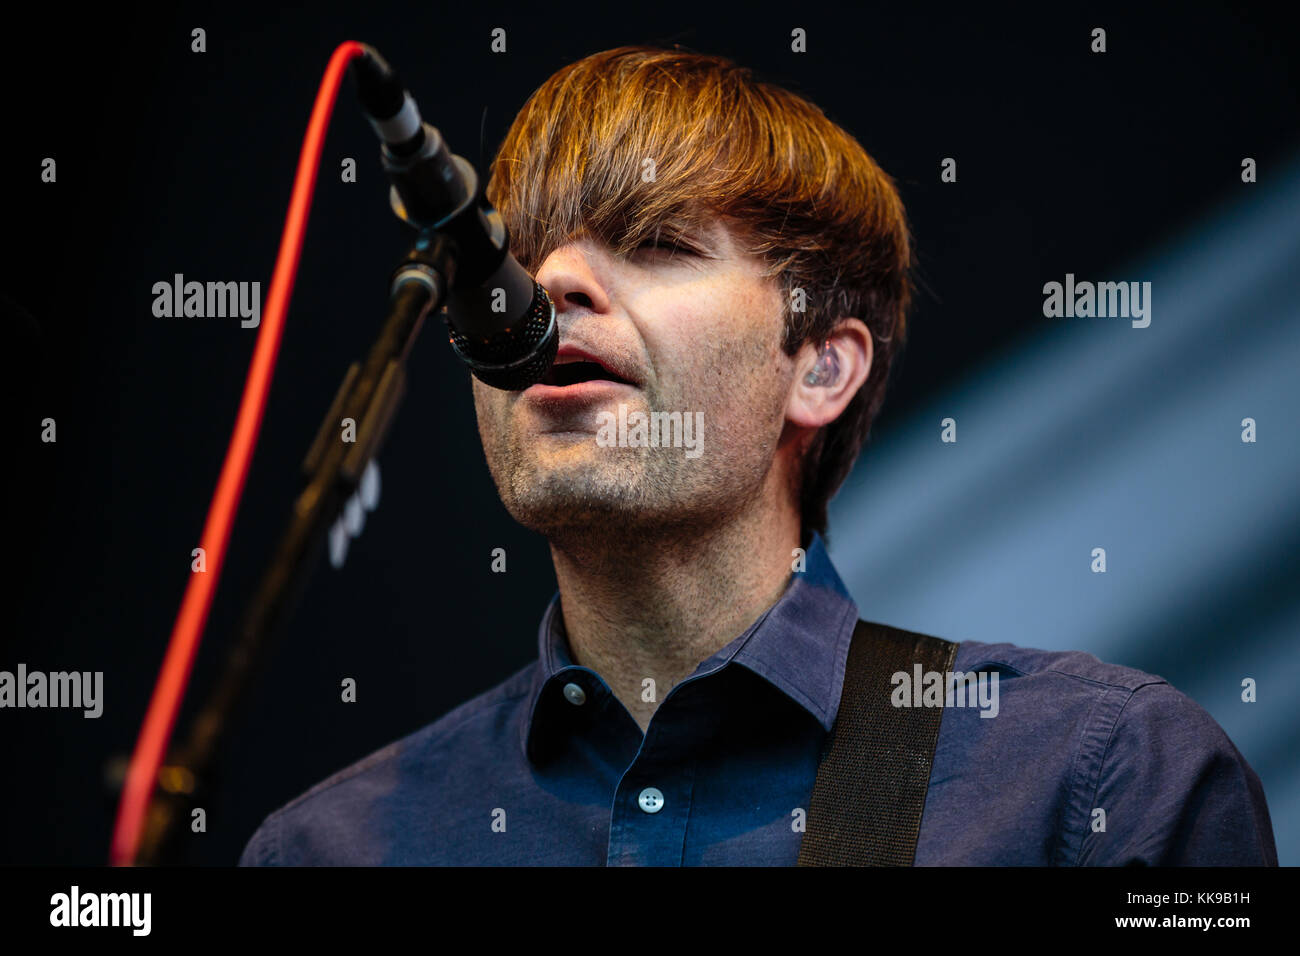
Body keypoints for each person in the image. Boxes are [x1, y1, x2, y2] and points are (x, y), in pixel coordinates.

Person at [238, 45, 1276, 866]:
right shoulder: (327, 847)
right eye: (519, 256)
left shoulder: (1099, 784)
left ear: (820, 369)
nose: (549, 284)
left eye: (656, 244)